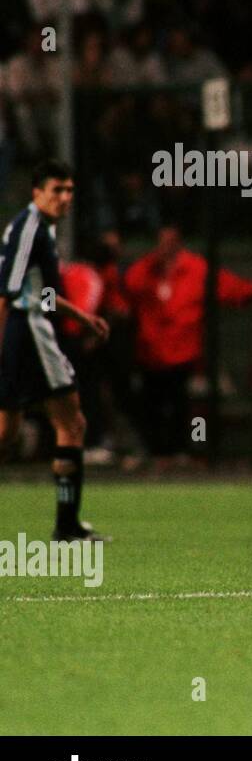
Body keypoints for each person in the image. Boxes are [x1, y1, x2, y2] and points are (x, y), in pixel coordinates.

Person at [0, 161, 112, 540]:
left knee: (6, 432)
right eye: (56, 190)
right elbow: (8, 293)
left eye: (69, 191)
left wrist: (81, 316)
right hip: (29, 330)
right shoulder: (31, 230)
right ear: (36, 192)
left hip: (25, 326)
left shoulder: (36, 229)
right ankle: (66, 525)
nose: (65, 198)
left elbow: (42, 293)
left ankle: (67, 524)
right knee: (72, 423)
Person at [123, 224, 252, 462]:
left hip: (184, 355)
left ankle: (185, 450)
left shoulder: (196, 269)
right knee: (150, 406)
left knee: (183, 407)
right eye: (161, 242)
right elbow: (124, 296)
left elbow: (234, 289)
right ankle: (154, 452)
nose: (165, 248)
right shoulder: (143, 270)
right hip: (150, 354)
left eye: (170, 241)